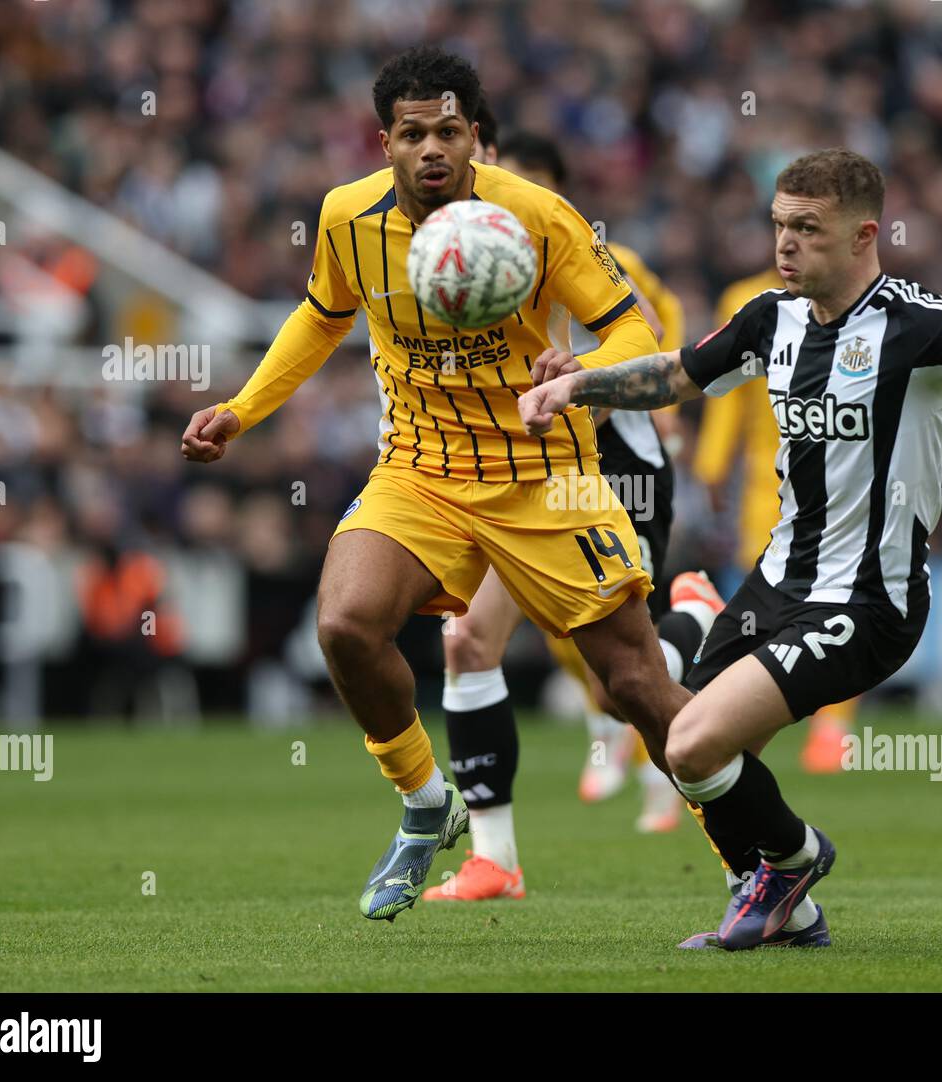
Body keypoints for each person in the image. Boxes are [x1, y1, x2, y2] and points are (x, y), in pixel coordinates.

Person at [519, 147, 942, 950]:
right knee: (684, 752)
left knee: (695, 743)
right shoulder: (771, 318)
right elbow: (675, 375)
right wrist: (576, 385)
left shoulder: (922, 326)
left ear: (864, 234)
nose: (785, 245)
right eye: (778, 225)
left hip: (869, 602)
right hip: (775, 584)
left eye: (807, 229)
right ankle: (793, 915)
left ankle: (798, 858)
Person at [180, 46, 694, 923]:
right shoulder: (346, 217)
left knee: (633, 684)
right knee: (345, 623)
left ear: (475, 139)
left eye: (448, 131)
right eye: (412, 132)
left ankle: (760, 854)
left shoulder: (535, 216)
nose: (431, 149)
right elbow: (320, 316)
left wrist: (583, 371)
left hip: (544, 473)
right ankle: (427, 802)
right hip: (420, 469)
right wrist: (243, 407)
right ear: (384, 141)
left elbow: (635, 333)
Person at [427, 127, 712, 904]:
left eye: (518, 181)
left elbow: (660, 354)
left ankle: (690, 627)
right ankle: (495, 861)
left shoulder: (588, 255)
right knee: (468, 641)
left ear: (550, 190)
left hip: (610, 468)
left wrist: (589, 368)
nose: (497, 196)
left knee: (625, 677)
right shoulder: (457, 254)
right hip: (514, 476)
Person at [696, 268, 858, 774]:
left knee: (840, 601)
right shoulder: (747, 301)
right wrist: (713, 464)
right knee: (769, 609)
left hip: (843, 482)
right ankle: (758, 712)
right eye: (785, 226)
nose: (792, 241)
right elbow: (731, 391)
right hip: (770, 485)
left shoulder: (862, 304)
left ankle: (832, 726)